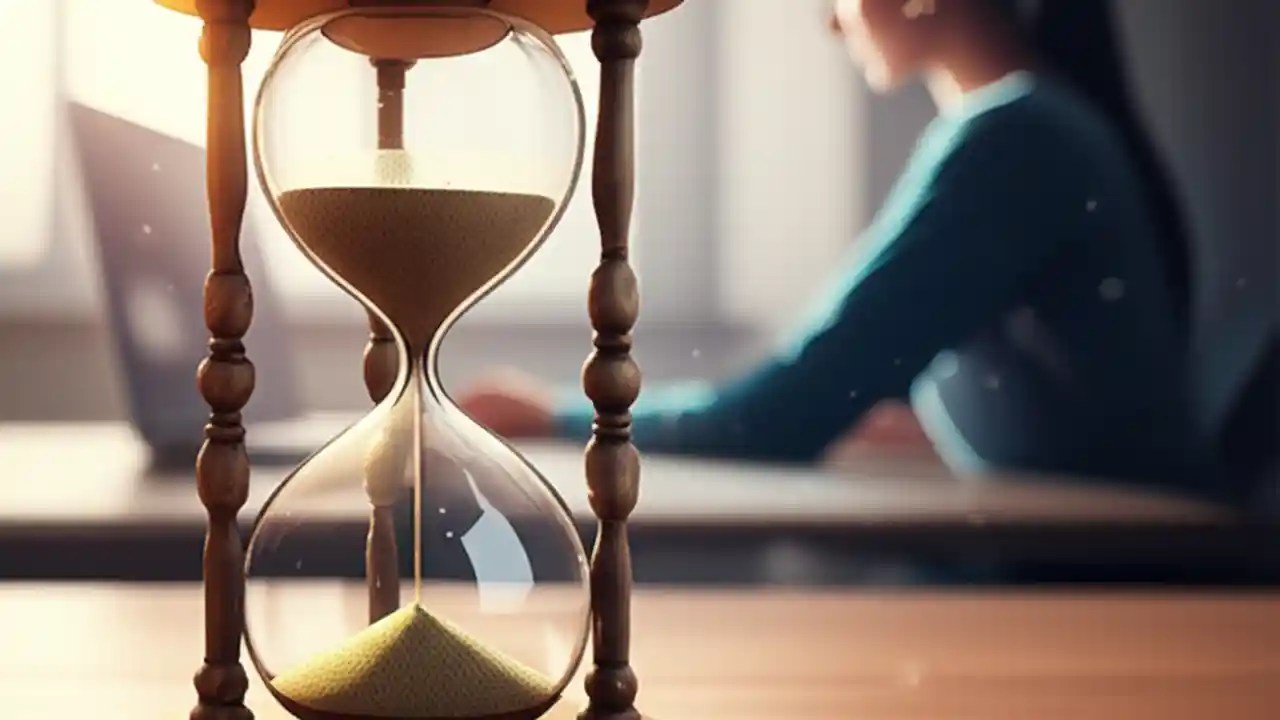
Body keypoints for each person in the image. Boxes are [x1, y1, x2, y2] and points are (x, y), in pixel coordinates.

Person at [461, 0, 1210, 496]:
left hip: (1106, 575)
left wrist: (559, 416)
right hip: (1082, 536)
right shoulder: (1029, 126)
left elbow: (782, 415)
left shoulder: (1015, 139)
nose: (830, 20)